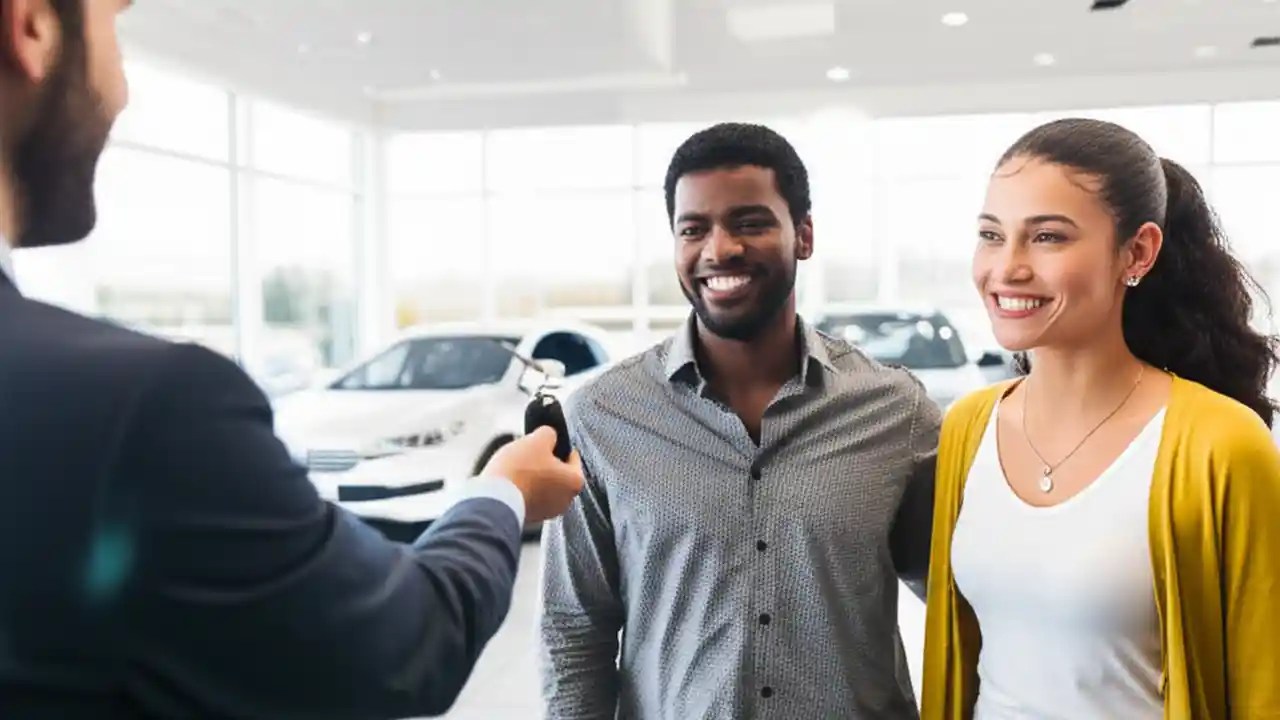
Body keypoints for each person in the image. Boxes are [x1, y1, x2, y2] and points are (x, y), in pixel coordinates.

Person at [0, 1, 584, 717]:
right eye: (111, 23)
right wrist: (504, 488)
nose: (122, 88)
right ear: (29, 25)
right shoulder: (148, 407)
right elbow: (407, 647)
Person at [539, 122, 942, 719]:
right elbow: (574, 630)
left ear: (803, 235)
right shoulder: (604, 417)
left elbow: (964, 599)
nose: (719, 249)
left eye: (750, 223)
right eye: (693, 228)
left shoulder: (895, 411)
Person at [920, 118, 1280, 719]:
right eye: (991, 234)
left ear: (1137, 251)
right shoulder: (969, 426)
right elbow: (957, 659)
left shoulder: (1221, 443)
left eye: (1048, 238)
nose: (1006, 267)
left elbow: (1265, 686)